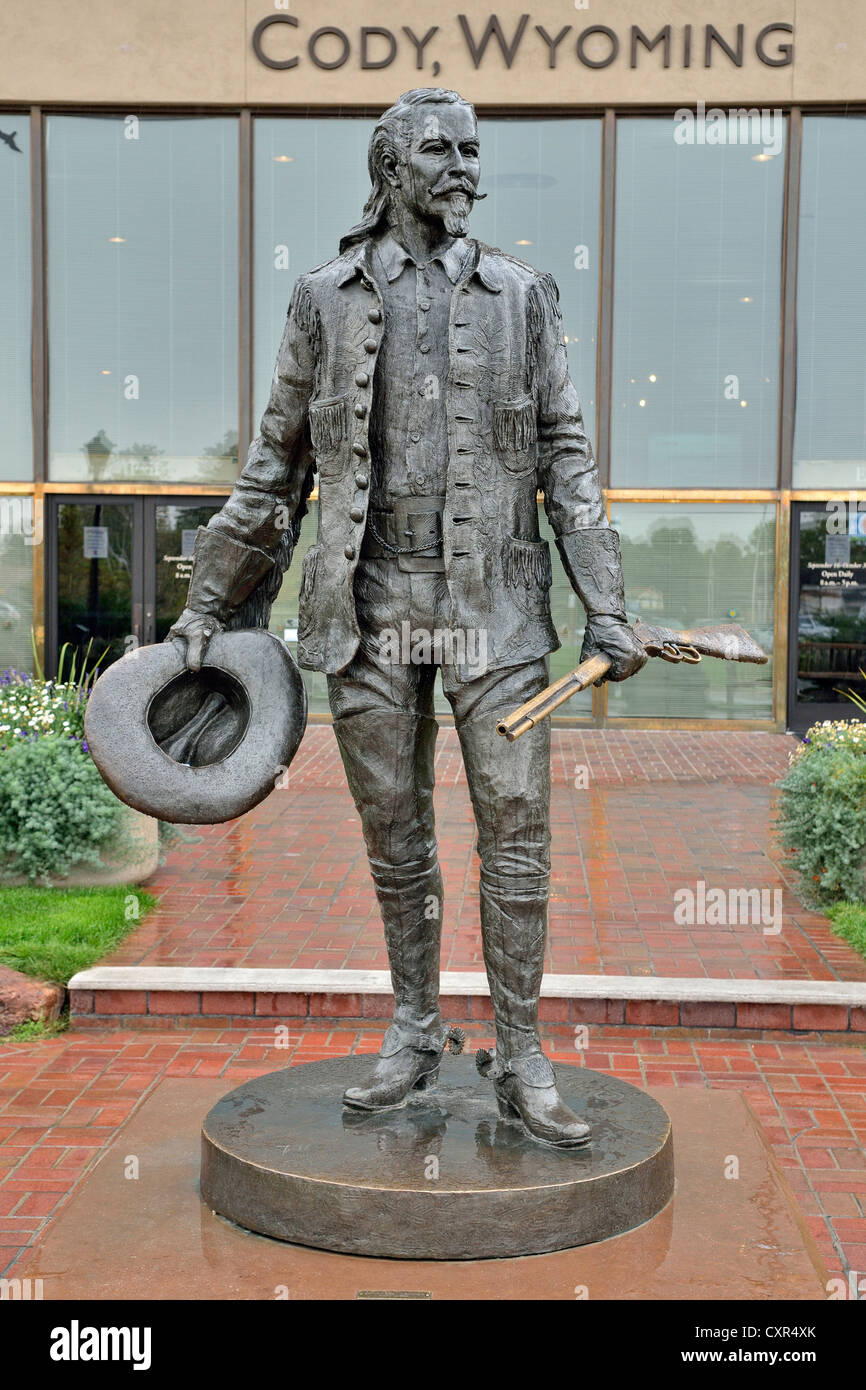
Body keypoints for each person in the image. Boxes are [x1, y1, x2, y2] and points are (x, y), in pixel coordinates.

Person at [169, 88, 646, 1148]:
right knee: (395, 840)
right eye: (440, 150)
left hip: (499, 614)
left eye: (472, 150)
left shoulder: (524, 295)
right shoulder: (321, 300)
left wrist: (605, 606)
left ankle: (520, 1052)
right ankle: (415, 1025)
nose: (463, 166)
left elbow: (568, 461)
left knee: (516, 836)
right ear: (388, 169)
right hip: (369, 609)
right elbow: (272, 467)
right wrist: (209, 602)